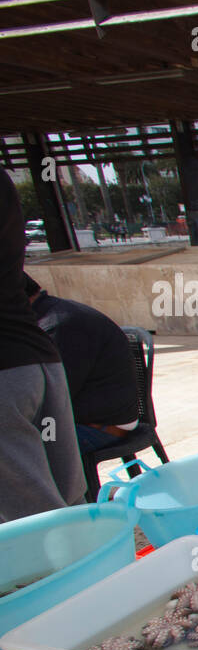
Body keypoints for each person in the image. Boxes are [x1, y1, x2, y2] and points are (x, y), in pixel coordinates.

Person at [0, 169, 86, 522]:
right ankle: (101, 570)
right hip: (36, 359)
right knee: (69, 500)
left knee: (33, 519)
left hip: (8, 378)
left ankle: (74, 574)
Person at [25, 273, 140, 454]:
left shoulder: (58, 325)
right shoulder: (47, 318)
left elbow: (50, 399)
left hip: (96, 427)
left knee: (15, 449)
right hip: (74, 421)